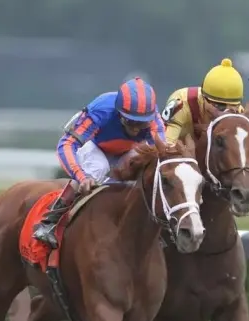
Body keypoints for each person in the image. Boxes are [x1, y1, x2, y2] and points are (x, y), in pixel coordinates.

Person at [32, 76, 167, 246]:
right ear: (118, 112)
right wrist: (81, 176)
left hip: (127, 151)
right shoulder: (101, 109)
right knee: (98, 167)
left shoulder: (154, 119)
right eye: (130, 121)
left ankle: (154, 227)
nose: (134, 129)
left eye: (141, 124)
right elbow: (66, 145)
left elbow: (163, 156)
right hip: (95, 147)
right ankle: (51, 222)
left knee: (148, 168)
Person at [162, 56, 249, 187]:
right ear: (203, 97)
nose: (224, 113)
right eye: (219, 106)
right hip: (181, 160)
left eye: (231, 107)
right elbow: (166, 144)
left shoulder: (238, 113)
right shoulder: (182, 103)